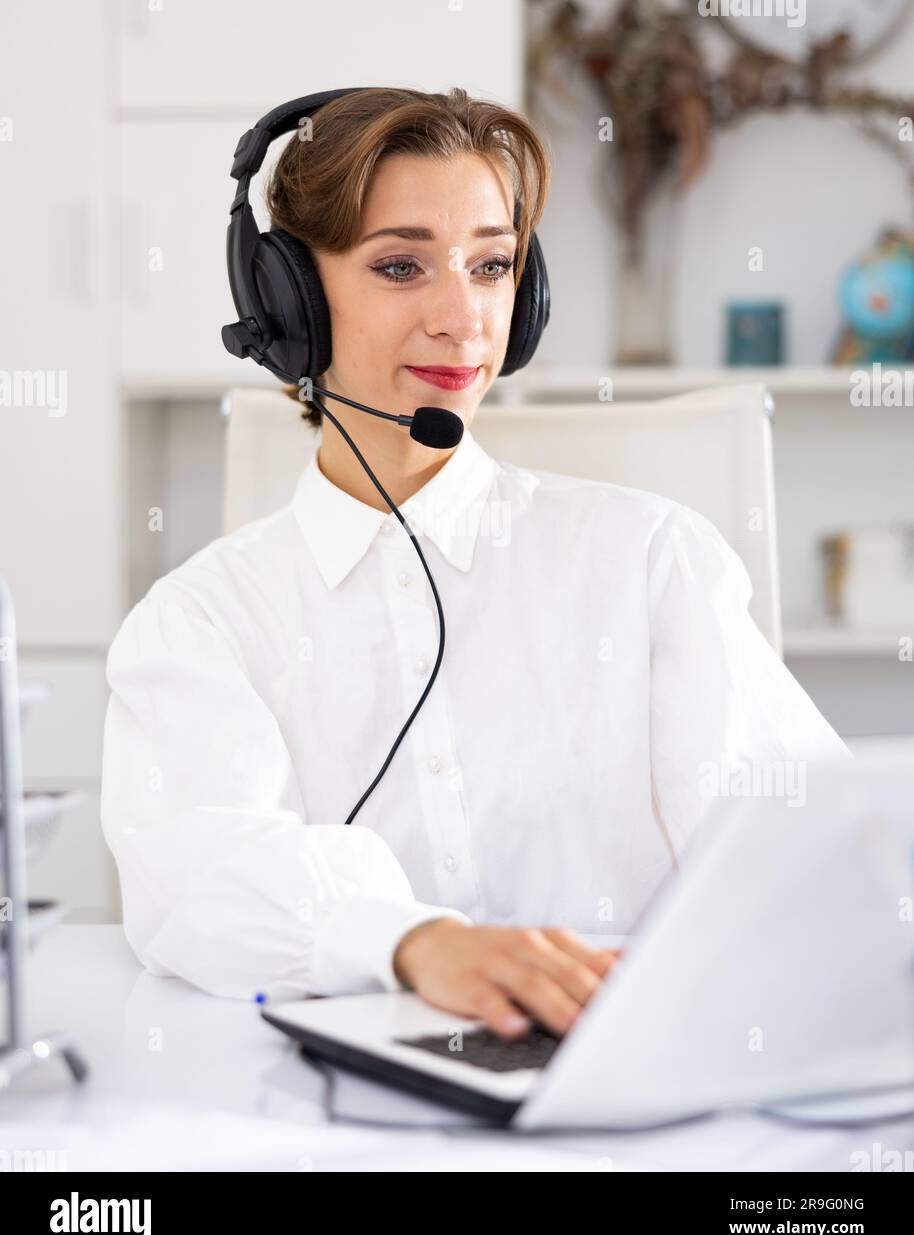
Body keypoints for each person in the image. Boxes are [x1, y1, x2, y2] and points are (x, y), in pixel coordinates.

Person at [100, 86, 849, 1042]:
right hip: (338, 1118)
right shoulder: (202, 621)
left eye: (492, 265)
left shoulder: (655, 562)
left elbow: (811, 862)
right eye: (402, 265)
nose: (464, 320)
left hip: (644, 1089)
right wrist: (415, 944)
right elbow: (194, 875)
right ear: (287, 302)